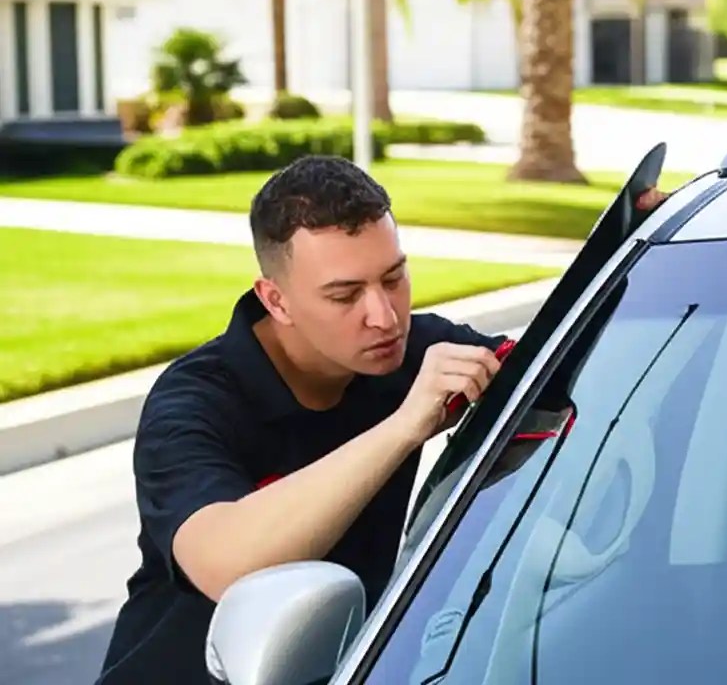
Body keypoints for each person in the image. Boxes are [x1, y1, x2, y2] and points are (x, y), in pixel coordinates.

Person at [95, 154, 668, 683]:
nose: (383, 316)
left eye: (393, 278)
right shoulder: (194, 401)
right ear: (276, 300)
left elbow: (565, 367)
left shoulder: (415, 349)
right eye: (345, 296)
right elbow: (224, 565)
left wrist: (642, 257)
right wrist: (403, 427)